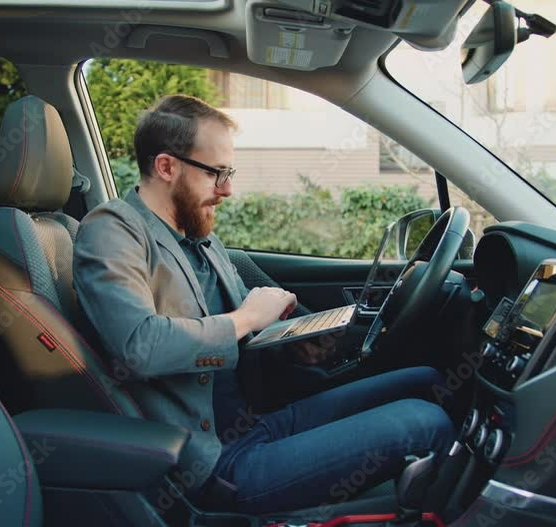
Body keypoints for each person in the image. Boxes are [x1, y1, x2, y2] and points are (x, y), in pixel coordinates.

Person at [73, 94, 455, 514]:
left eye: (229, 172)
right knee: (426, 421)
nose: (228, 189)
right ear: (167, 167)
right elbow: (138, 346)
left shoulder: (199, 236)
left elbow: (247, 326)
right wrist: (244, 318)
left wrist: (291, 340)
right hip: (215, 462)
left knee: (428, 380)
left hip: (255, 423)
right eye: (217, 173)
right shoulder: (112, 229)